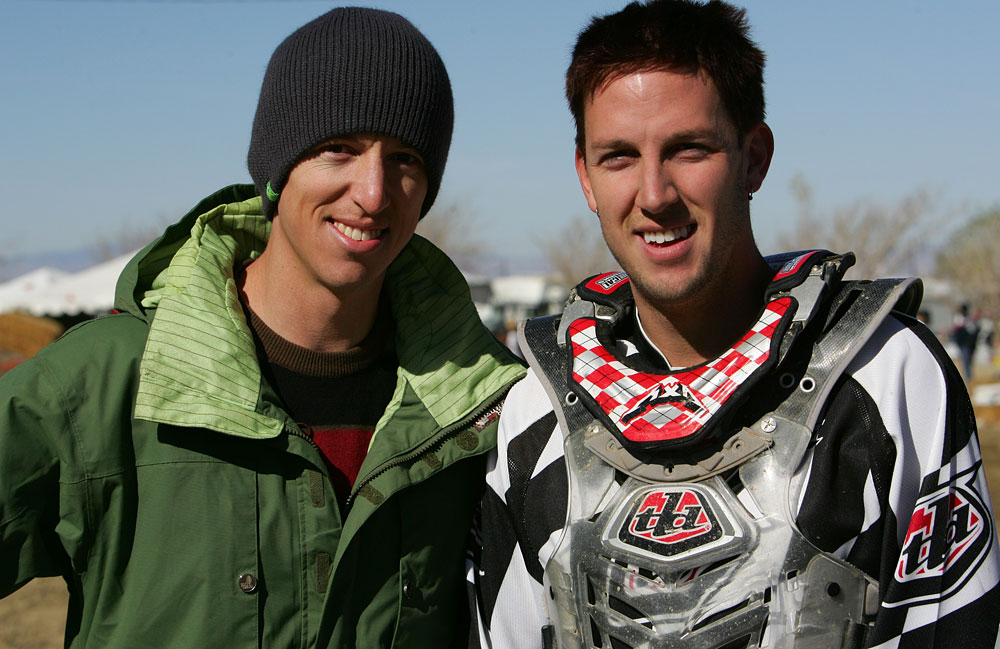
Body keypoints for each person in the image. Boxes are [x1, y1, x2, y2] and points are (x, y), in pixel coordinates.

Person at [471, 2, 999, 648]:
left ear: (754, 158)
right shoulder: (537, 408)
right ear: (585, 176)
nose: (655, 194)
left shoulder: (889, 376)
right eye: (619, 157)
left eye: (689, 149)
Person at [0, 8, 524, 648]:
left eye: (405, 158)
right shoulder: (98, 387)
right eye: (338, 148)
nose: (372, 192)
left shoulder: (481, 413)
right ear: (278, 169)